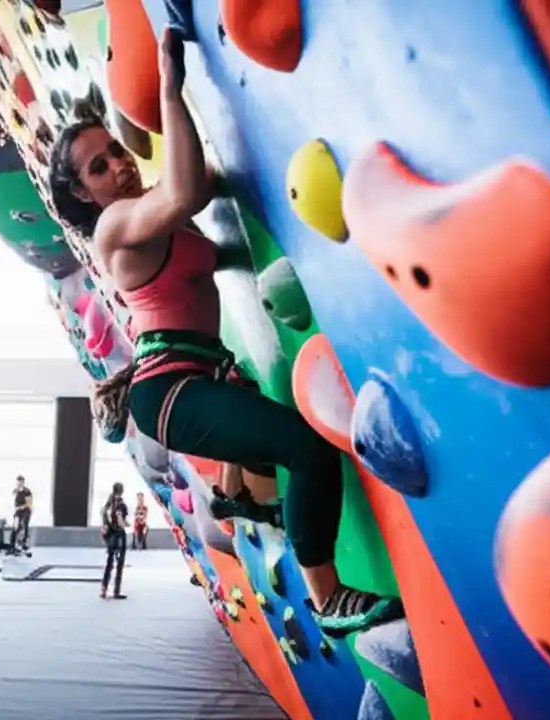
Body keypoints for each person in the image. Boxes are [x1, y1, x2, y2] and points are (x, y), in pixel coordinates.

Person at [47, 28, 403, 635]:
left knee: (274, 438)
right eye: (99, 167)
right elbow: (188, 189)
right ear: (83, 192)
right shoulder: (113, 229)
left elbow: (200, 180)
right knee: (308, 448)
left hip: (204, 372)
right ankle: (326, 599)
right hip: (170, 391)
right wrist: (168, 82)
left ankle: (238, 494)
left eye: (114, 149)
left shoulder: (151, 214)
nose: (118, 165)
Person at [99, 483, 129, 600]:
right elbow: (120, 520)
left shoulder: (108, 504)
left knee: (109, 562)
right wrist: (126, 525)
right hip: (119, 536)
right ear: (122, 491)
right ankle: (116, 590)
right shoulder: (121, 505)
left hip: (109, 537)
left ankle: (103, 588)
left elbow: (105, 518)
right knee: (119, 564)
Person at [10, 476, 33, 554]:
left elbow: (29, 504)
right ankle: (13, 545)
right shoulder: (16, 491)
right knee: (15, 527)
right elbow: (13, 497)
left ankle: (24, 543)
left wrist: (21, 507)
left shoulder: (27, 491)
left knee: (23, 525)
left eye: (21, 482)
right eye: (18, 483)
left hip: (25, 511)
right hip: (18, 511)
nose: (19, 484)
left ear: (23, 482)